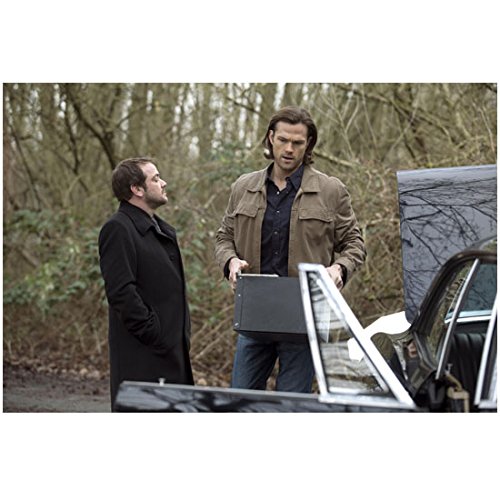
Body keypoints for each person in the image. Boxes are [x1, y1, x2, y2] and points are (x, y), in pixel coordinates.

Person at [215, 106, 366, 393]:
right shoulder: (243, 187)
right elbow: (224, 237)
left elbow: (354, 244)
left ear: (308, 144)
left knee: (292, 404)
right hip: (255, 310)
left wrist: (339, 268)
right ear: (271, 137)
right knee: (240, 398)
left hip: (305, 314)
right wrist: (231, 262)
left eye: (297, 142)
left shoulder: (331, 190)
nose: (289, 149)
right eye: (283, 140)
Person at [98, 157, 194, 410]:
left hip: (172, 354)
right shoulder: (118, 228)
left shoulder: (161, 229)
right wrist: (154, 333)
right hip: (143, 357)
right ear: (137, 189)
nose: (164, 183)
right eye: (156, 179)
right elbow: (121, 292)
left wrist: (179, 336)